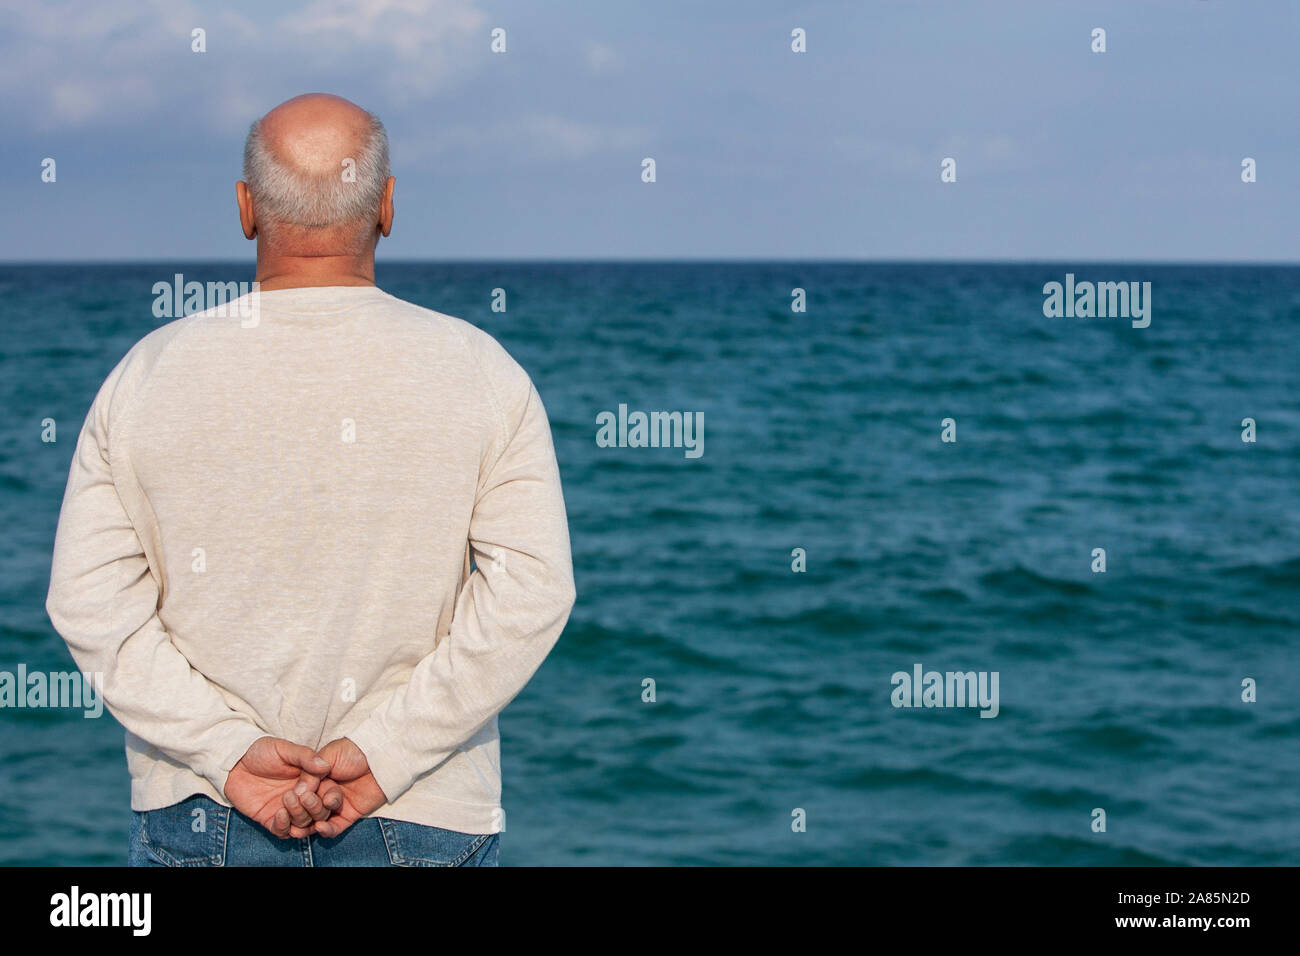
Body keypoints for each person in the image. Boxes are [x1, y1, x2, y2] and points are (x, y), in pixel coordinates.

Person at [44, 93, 576, 866]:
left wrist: (229, 752)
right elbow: (531, 596)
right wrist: (384, 752)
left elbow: (89, 605)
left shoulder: (146, 376)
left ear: (245, 208)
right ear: (387, 205)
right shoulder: (482, 371)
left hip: (203, 810)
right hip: (421, 808)